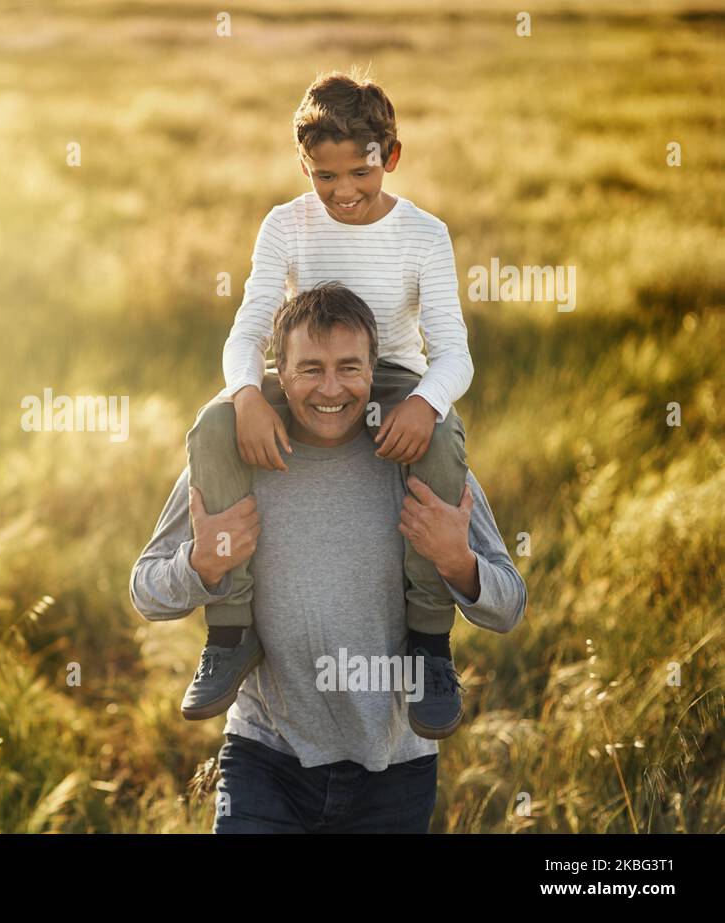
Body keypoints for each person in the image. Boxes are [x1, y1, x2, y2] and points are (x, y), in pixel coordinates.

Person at [129, 283, 525, 832]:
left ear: (374, 368)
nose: (331, 389)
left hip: (396, 769)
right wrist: (202, 564)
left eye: (349, 367)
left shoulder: (416, 456)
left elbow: (509, 605)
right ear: (277, 372)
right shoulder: (238, 455)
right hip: (264, 753)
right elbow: (146, 590)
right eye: (310, 369)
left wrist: (458, 562)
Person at [181, 71, 475, 740]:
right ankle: (231, 629)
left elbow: (454, 352)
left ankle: (428, 643)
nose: (343, 191)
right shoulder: (285, 223)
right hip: (303, 373)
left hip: (391, 374)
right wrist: (251, 390)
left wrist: (425, 403)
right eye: (324, 176)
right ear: (304, 167)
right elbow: (251, 324)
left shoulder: (425, 233)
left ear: (390, 155)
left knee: (443, 438)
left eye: (360, 172)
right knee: (213, 425)